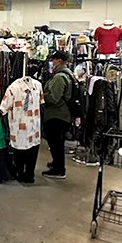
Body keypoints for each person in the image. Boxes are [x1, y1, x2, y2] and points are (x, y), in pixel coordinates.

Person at [42, 50, 74, 180]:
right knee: (57, 142)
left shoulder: (60, 77)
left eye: (53, 60)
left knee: (56, 143)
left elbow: (53, 98)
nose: (52, 62)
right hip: (62, 114)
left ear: (59, 60)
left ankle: (59, 170)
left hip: (57, 115)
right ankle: (56, 163)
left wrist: (40, 96)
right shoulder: (67, 74)